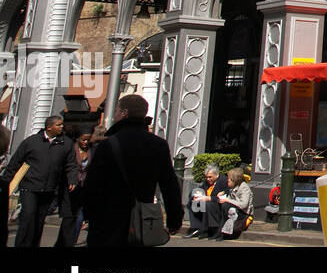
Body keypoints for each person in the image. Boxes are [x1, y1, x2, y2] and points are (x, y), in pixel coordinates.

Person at [81, 95, 183, 247]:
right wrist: (174, 219)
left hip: (107, 219)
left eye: (116, 111)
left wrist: (88, 214)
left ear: (124, 113)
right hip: (142, 222)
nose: (114, 115)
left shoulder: (108, 144)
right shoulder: (158, 145)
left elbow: (93, 185)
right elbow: (169, 185)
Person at [0, 114, 77, 247]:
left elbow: (71, 164)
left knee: (39, 220)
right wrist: (5, 181)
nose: (62, 127)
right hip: (29, 187)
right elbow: (16, 162)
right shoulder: (32, 142)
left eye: (62, 124)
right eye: (58, 125)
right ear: (49, 127)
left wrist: (72, 179)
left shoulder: (66, 143)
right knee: (28, 216)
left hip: (48, 188)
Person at [58, 127, 96, 246]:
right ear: (78, 138)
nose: (85, 142)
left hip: (84, 190)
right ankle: (64, 243)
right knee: (69, 219)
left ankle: (70, 242)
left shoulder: (93, 150)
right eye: (83, 140)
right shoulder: (70, 150)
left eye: (88, 140)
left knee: (79, 218)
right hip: (70, 189)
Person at [203, 168, 253, 240]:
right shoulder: (232, 187)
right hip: (233, 208)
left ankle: (223, 233)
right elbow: (229, 197)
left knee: (226, 206)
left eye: (229, 178)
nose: (227, 180)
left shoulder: (244, 188)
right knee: (212, 205)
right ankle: (215, 230)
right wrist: (223, 196)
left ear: (234, 180)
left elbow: (243, 204)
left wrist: (227, 200)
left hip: (243, 213)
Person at [188, 163, 229, 237]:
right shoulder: (207, 181)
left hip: (217, 205)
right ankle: (197, 228)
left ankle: (210, 230)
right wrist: (196, 195)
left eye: (210, 177)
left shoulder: (224, 181)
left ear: (216, 175)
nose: (208, 179)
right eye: (206, 177)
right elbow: (201, 188)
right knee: (193, 202)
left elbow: (226, 196)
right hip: (207, 202)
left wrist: (209, 198)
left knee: (207, 204)